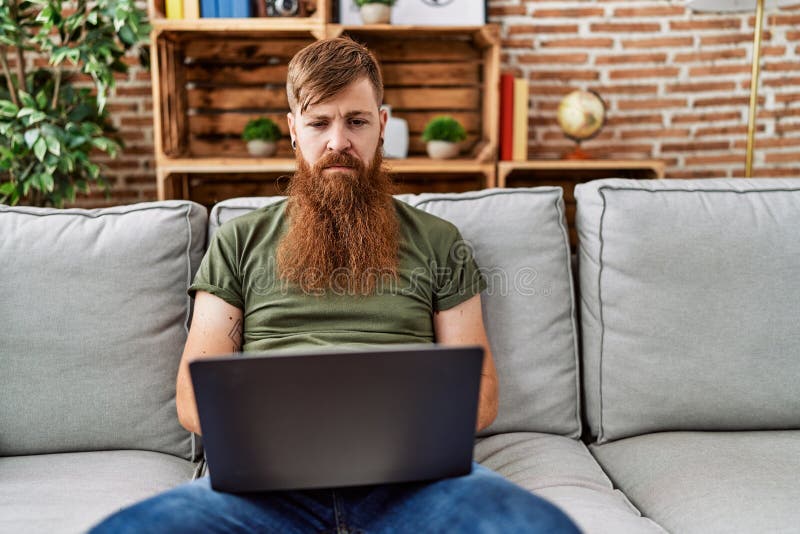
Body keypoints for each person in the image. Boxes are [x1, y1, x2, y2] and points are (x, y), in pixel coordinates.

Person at [88, 37, 579, 533]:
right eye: (319, 122)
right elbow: (193, 400)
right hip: (267, 487)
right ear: (293, 131)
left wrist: (387, 436)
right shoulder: (239, 242)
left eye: (356, 121)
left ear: (381, 126)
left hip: (415, 485)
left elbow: (483, 394)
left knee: (537, 526)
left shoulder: (439, 242)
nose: (338, 141)